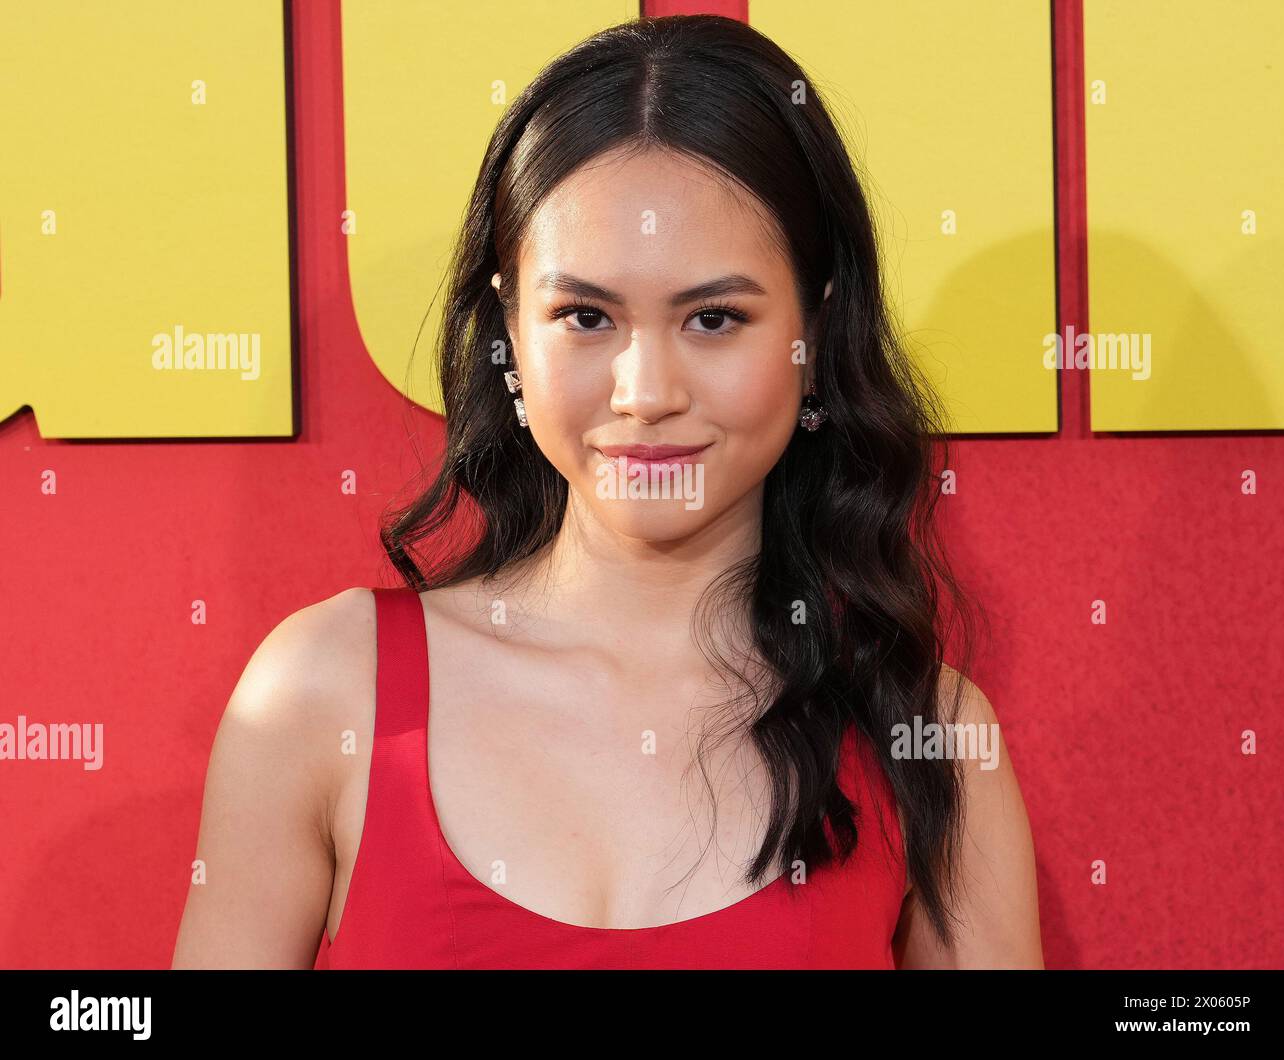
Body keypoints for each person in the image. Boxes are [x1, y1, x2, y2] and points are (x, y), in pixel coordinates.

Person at [173, 13, 1041, 969]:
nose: (646, 393)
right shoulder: (325, 691)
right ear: (509, 327)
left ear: (816, 333)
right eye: (584, 315)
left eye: (715, 318)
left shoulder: (930, 738)